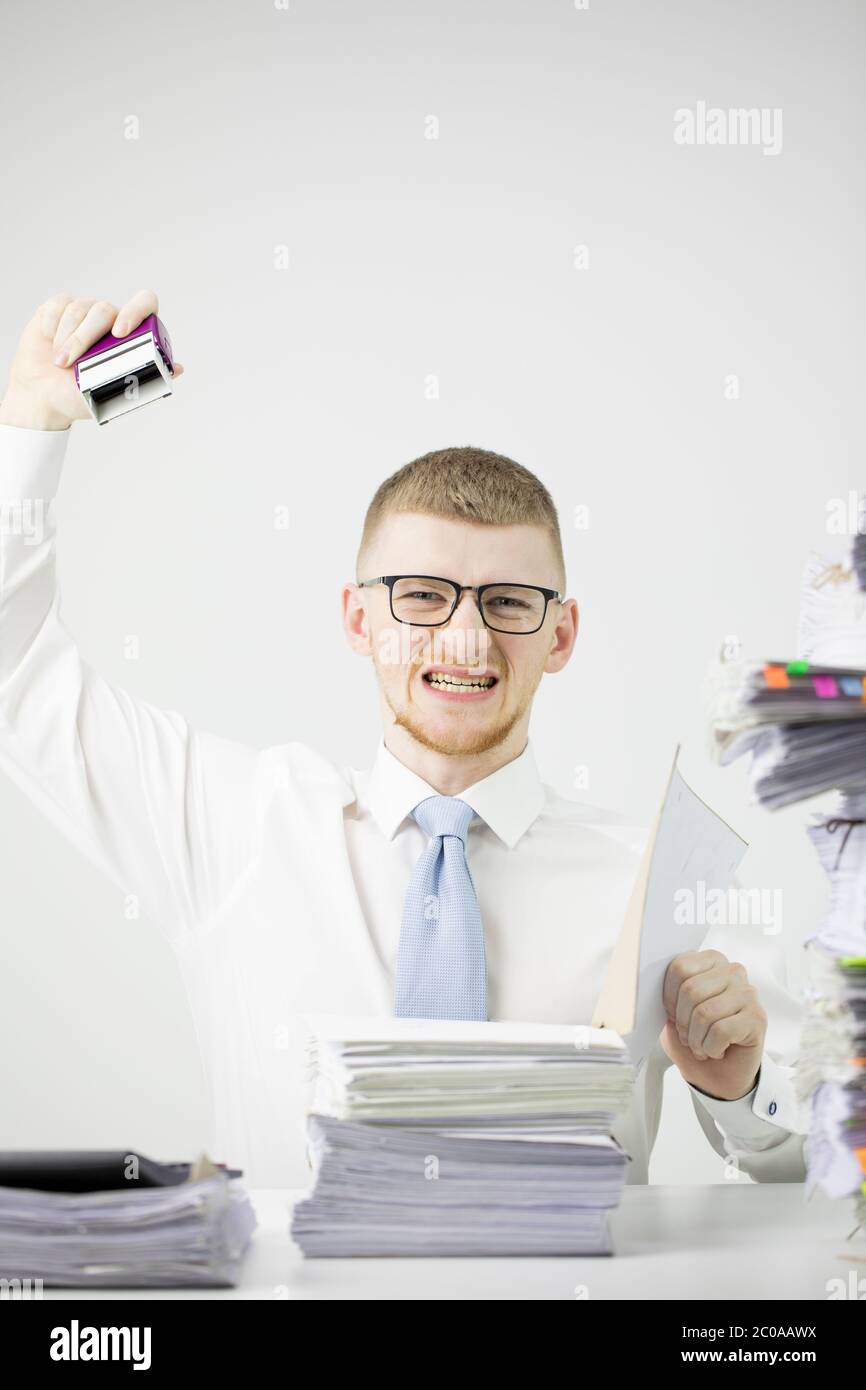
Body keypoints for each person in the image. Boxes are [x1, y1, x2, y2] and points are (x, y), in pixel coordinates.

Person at [0, 290, 809, 1187]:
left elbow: (820, 1165)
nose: (465, 638)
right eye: (422, 595)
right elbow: (13, 675)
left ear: (563, 634)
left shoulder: (657, 886)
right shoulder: (226, 825)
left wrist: (744, 1093)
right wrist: (31, 425)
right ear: (357, 617)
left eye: (508, 602)